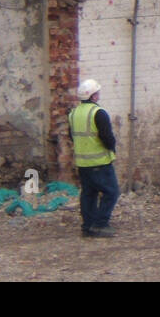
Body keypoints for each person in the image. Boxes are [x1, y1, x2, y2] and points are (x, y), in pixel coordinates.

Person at [69, 78, 119, 238]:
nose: (98, 95)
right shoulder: (98, 113)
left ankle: (88, 225)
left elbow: (72, 136)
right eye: (97, 93)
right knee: (111, 192)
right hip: (100, 162)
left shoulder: (73, 113)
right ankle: (100, 224)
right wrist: (112, 148)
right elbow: (107, 137)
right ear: (93, 96)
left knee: (88, 194)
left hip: (82, 163)